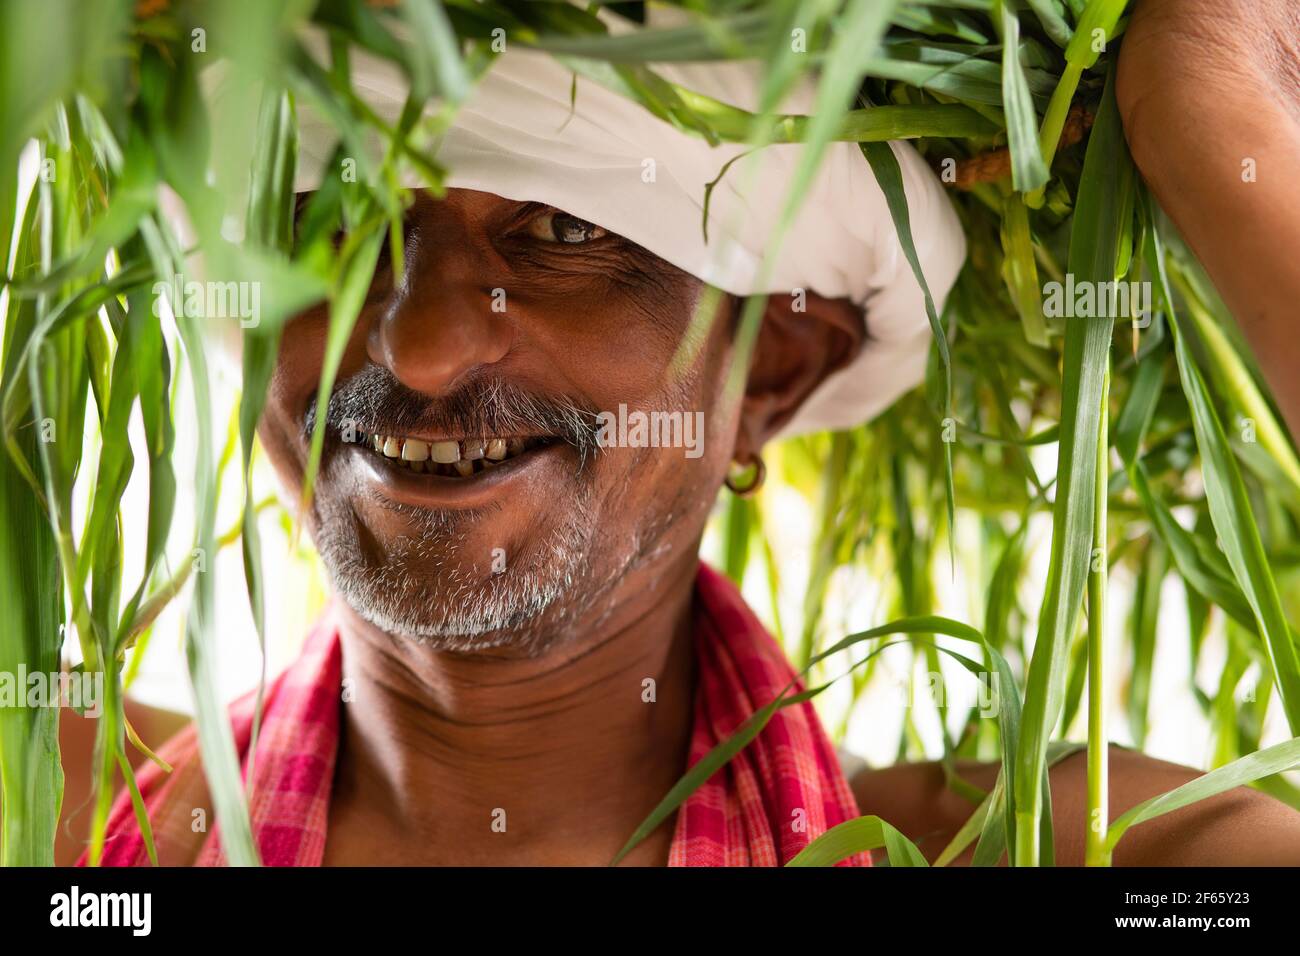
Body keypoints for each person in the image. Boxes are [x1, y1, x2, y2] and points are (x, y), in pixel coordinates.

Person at [62, 0, 1300, 866]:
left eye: (558, 234)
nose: (419, 343)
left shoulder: (1051, 851)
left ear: (776, 362)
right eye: (323, 218)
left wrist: (1216, 121)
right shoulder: (61, 826)